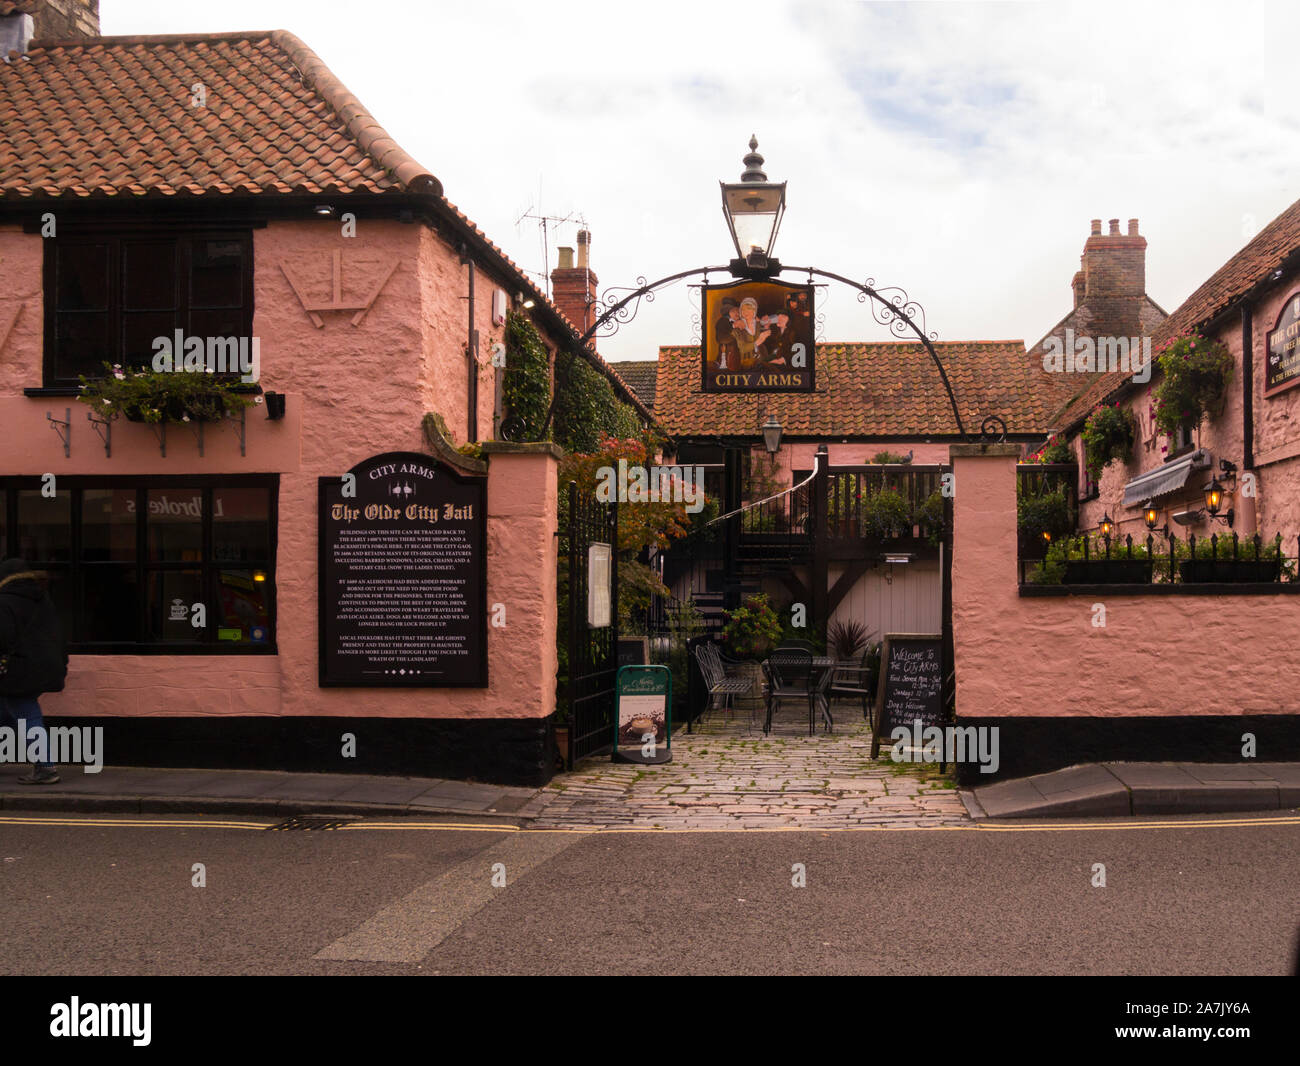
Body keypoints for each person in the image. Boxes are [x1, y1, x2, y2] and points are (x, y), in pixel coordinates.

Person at [0, 558, 68, 784]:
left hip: (18, 669)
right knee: (6, 712)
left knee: (26, 713)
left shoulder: (5, 602)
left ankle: (45, 767)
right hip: (46, 666)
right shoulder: (43, 599)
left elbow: (3, 638)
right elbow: (57, 633)